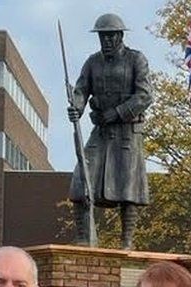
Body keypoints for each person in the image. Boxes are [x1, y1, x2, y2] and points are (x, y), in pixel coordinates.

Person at [67, 13, 153, 250]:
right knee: (81, 179)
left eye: (110, 36)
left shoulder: (136, 60)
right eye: (102, 36)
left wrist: (116, 113)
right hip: (102, 132)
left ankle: (127, 241)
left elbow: (145, 95)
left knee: (128, 187)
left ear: (120, 36)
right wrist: (76, 108)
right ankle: (84, 238)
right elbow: (81, 89)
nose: (106, 40)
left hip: (127, 132)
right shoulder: (92, 62)